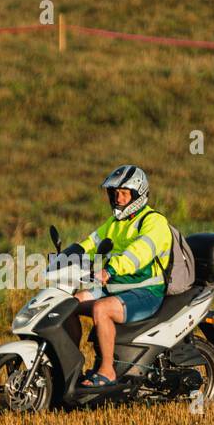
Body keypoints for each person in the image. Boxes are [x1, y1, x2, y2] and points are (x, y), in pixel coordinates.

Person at [66, 165, 172, 386]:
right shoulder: (115, 223)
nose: (118, 198)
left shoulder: (153, 222)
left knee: (101, 309)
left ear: (138, 194)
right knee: (68, 306)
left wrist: (110, 270)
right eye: (114, 193)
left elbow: (138, 253)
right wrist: (67, 256)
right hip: (118, 287)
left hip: (146, 291)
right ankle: (71, 366)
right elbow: (91, 242)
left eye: (124, 193)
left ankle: (107, 371)